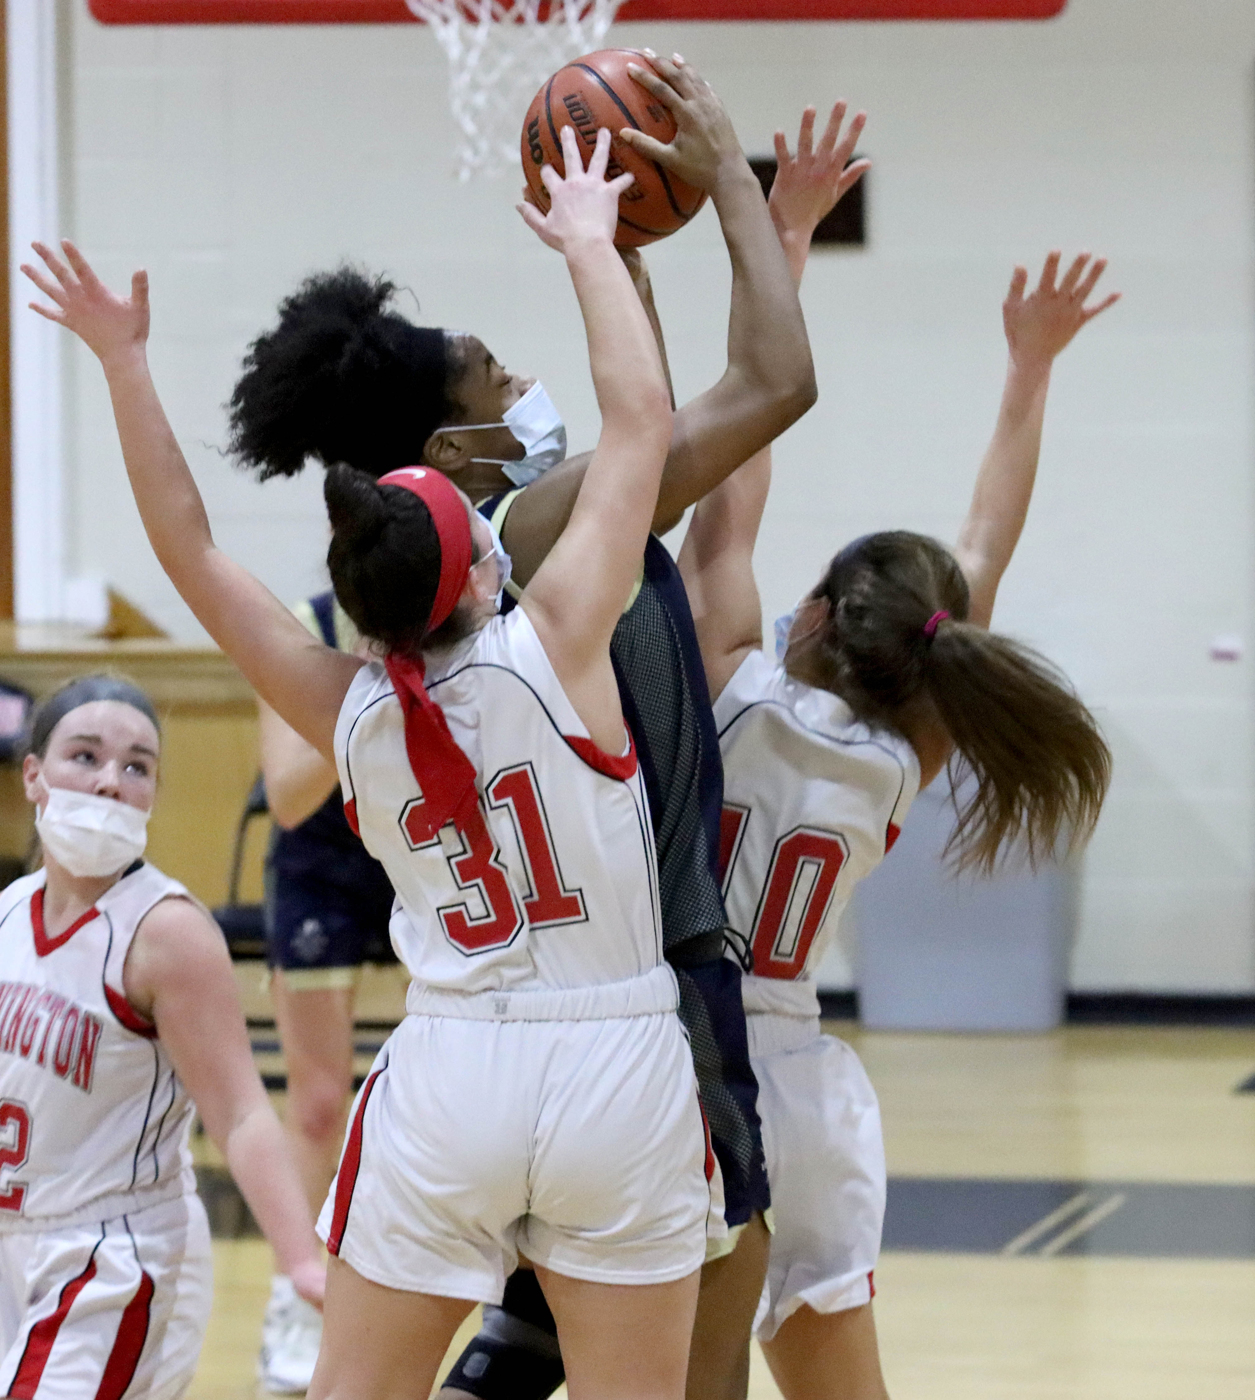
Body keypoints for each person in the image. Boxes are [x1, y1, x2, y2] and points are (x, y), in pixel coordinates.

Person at [24, 123, 715, 1400]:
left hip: (448, 1069)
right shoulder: (561, 638)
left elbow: (186, 545)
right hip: (613, 1059)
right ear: (487, 562)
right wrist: (585, 246)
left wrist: (124, 363)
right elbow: (642, 415)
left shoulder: (343, 702)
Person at [226, 57, 836, 1400]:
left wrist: (623, 241)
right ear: (449, 457)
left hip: (506, 1034)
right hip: (645, 996)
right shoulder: (544, 530)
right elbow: (766, 385)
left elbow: (655, 410)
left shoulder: (494, 565)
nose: (533, 381)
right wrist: (723, 175)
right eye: (501, 375)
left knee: (544, 1325)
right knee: (698, 1332)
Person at [678, 136, 1118, 1400]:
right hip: (807, 1089)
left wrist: (787, 241)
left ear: (809, 608)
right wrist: (1027, 372)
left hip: (688, 1070)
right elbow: (985, 534)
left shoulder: (730, 681)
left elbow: (730, 482)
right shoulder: (902, 755)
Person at [0, 673, 324, 1400]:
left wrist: (300, 1261)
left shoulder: (166, 932)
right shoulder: (8, 912)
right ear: (33, 776)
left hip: (112, 1254)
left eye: (136, 766)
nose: (111, 781)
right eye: (85, 756)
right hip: (13, 1241)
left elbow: (240, 1112)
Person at [256, 593, 398, 1395]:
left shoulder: (453, 611)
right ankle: (296, 1294)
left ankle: (479, 1291)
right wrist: (376, 686)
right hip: (322, 864)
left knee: (458, 1087)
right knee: (316, 1101)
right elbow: (288, 791)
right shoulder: (300, 629)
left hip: (420, 837)